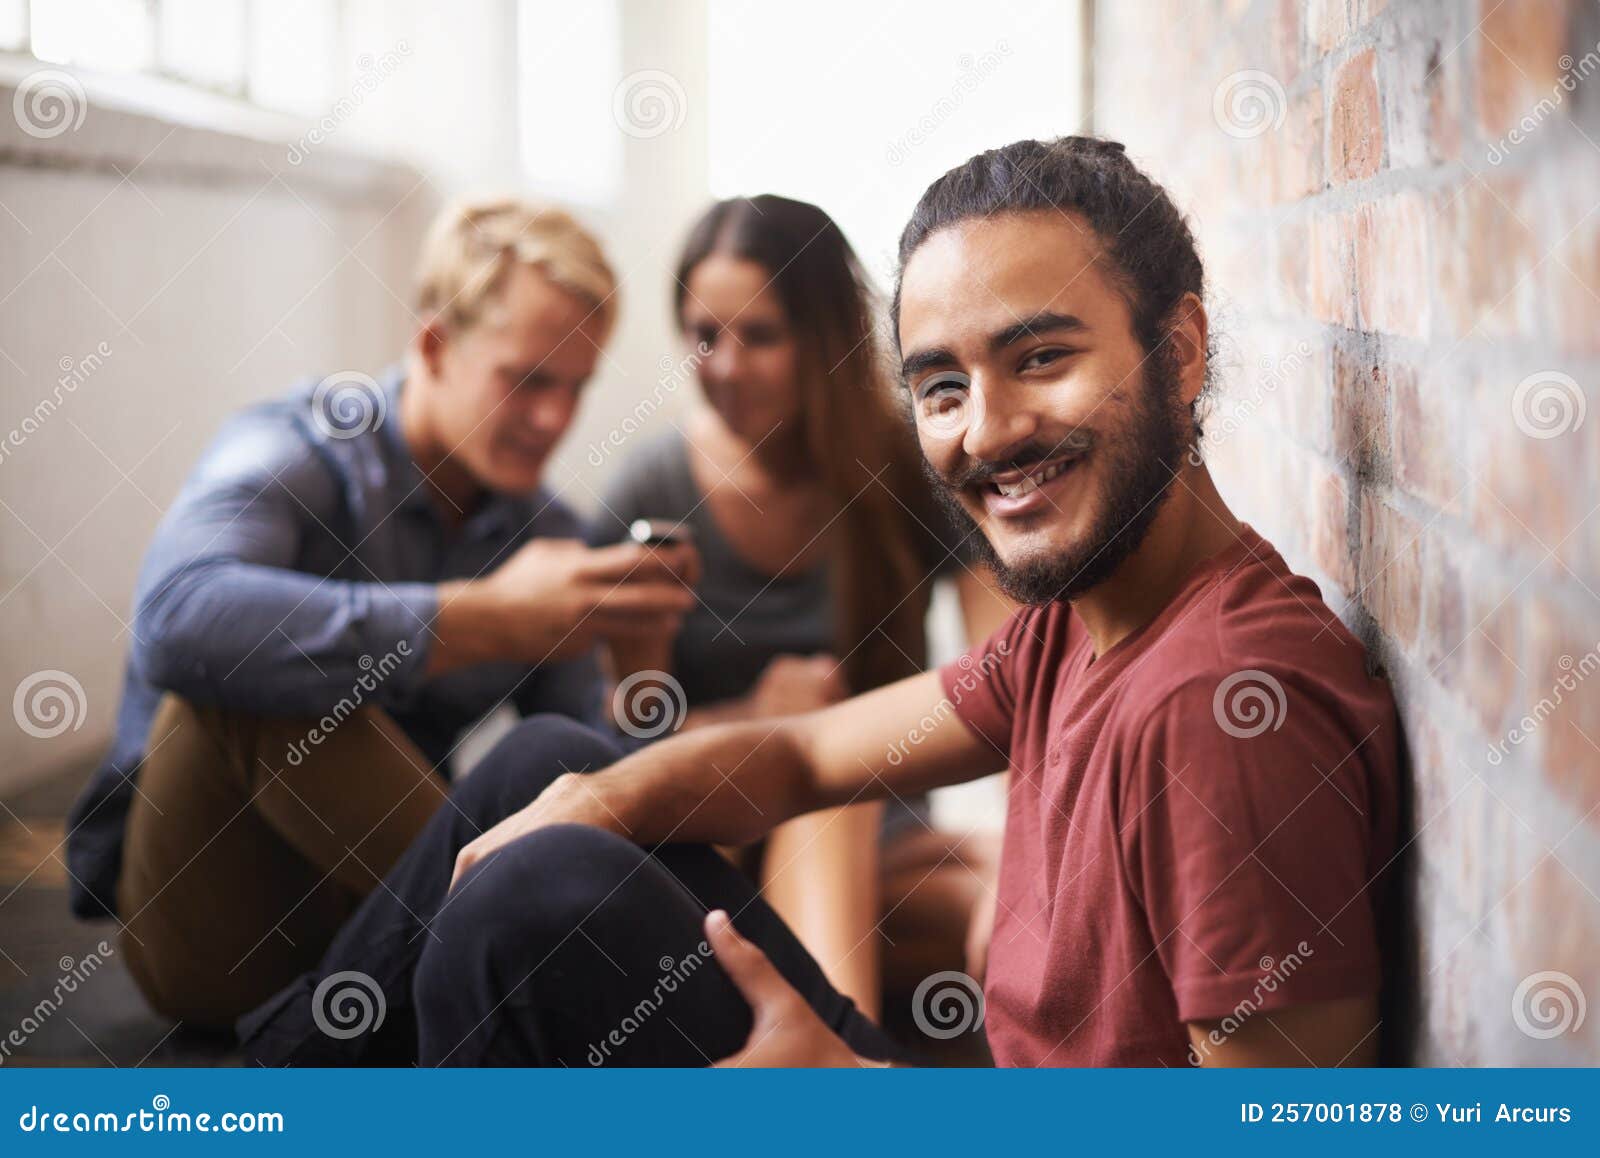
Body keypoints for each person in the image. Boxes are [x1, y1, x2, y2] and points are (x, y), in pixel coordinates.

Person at [242, 137, 1402, 1068]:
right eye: (941, 385)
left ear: (1180, 349)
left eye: (1040, 358)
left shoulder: (1226, 709)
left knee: (528, 902)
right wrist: (599, 794)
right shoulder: (1076, 626)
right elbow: (802, 756)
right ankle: (274, 1095)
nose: (987, 430)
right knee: (542, 773)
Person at [66, 197, 699, 1029]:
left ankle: (534, 952)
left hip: (385, 922)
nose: (554, 419)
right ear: (433, 346)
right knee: (251, 672)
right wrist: (477, 617)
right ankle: (550, 950)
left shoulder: (545, 535)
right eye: (527, 379)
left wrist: (642, 665)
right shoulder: (298, 447)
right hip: (219, 931)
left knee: (553, 762)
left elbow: (582, 778)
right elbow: (177, 617)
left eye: (576, 387)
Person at [589, 195, 1007, 1021]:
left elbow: (1016, 678)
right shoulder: (652, 488)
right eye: (704, 336)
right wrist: (757, 720)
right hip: (712, 842)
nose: (726, 366)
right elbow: (617, 744)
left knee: (1016, 893)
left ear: (824, 337)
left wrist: (1029, 851)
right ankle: (841, 1071)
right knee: (850, 801)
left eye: (760, 336)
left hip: (880, 849)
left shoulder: (904, 466)